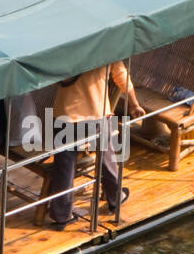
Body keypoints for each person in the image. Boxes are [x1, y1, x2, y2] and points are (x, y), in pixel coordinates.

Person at [46, 61, 145, 228]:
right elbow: (121, 76)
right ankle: (115, 196)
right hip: (96, 112)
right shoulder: (106, 44)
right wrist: (134, 104)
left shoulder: (67, 43)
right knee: (106, 156)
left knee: (65, 164)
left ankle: (61, 215)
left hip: (65, 112)